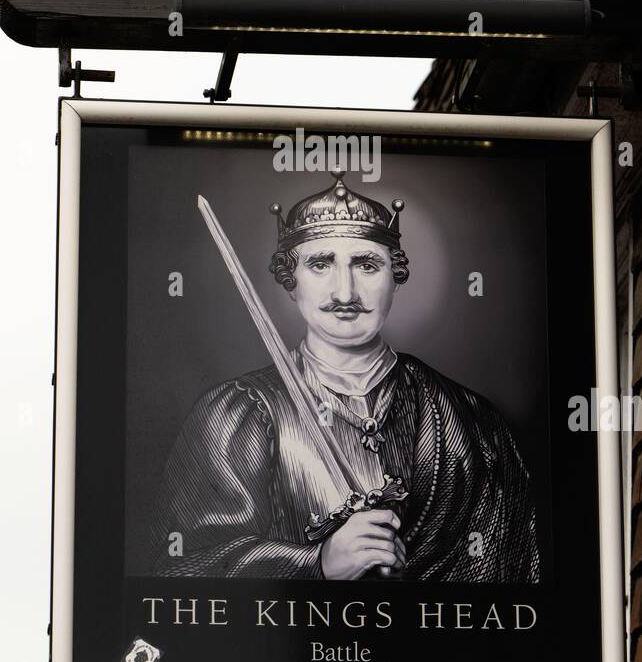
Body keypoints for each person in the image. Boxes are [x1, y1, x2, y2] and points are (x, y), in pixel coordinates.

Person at [150, 173, 539, 581]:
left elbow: (515, 572)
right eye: (320, 264)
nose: (344, 292)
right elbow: (181, 569)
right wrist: (316, 563)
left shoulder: (471, 420)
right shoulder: (237, 414)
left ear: (395, 277)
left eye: (367, 265)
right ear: (290, 280)